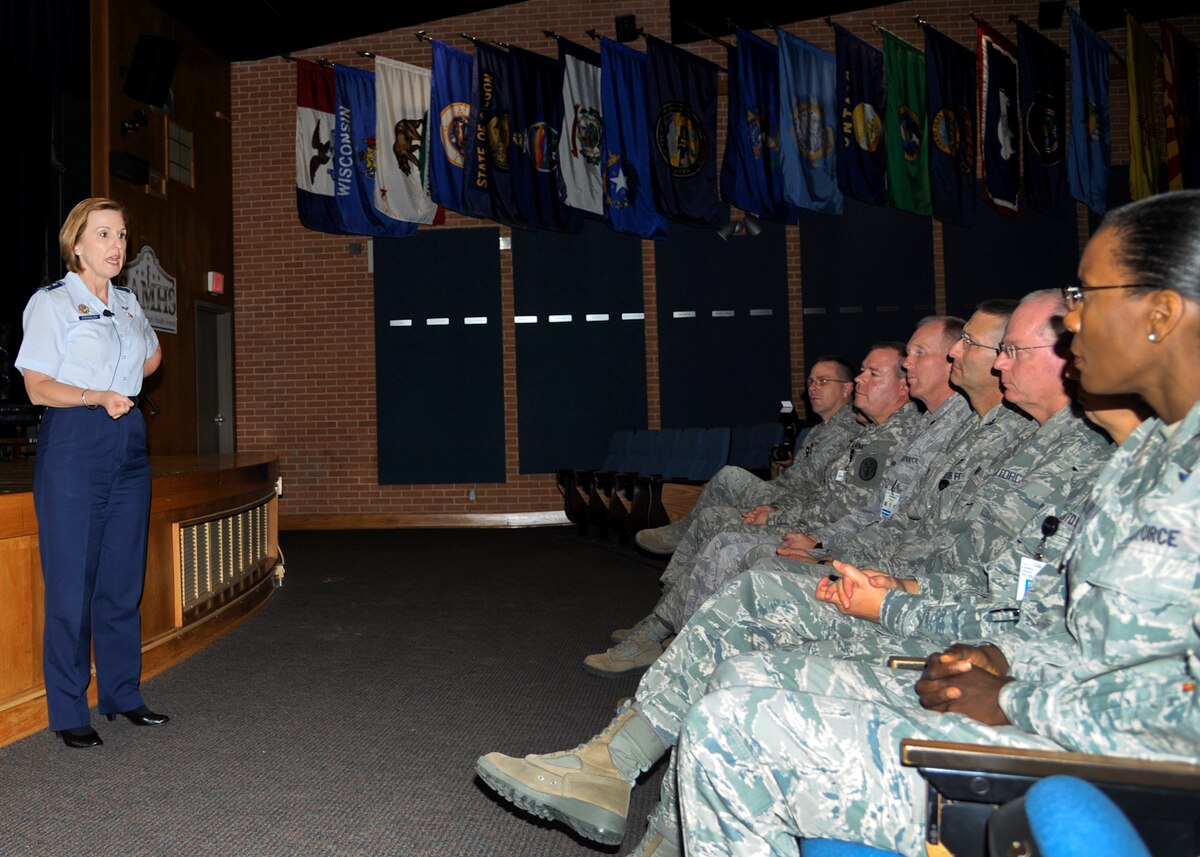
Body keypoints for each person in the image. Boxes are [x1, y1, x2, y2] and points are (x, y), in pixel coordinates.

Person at [473, 291, 1112, 852]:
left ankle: (624, 764)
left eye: (994, 348)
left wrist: (886, 591)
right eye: (981, 346)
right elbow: (937, 543)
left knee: (753, 595)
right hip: (933, 606)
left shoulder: (1071, 450)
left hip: (963, 644)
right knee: (741, 623)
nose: (988, 359)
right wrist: (875, 575)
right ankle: (641, 793)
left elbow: (995, 585)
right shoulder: (1004, 434)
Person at [674, 191, 1200, 856]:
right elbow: (1084, 639)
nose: (1073, 318)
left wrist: (1014, 695)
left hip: (1102, 774)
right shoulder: (1150, 457)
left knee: (731, 727)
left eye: (1089, 295)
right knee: (736, 683)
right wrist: (1003, 656)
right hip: (1048, 712)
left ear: (1160, 313)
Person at [587, 343, 923, 676]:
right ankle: (663, 623)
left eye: (872, 373)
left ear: (902, 387)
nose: (861, 379)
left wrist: (787, 523)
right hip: (813, 524)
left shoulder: (888, 437)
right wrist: (775, 511)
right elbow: (824, 496)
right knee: (717, 523)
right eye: (811, 382)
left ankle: (674, 647)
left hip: (839, 541)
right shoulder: (869, 435)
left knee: (728, 536)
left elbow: (852, 509)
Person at [15, 198, 168, 749]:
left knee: (122, 581)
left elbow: (152, 359)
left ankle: (123, 694)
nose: (116, 246)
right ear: (76, 244)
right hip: (76, 440)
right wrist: (95, 393)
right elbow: (36, 387)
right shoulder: (52, 304)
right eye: (104, 235)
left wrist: (130, 367)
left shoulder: (126, 302)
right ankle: (67, 708)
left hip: (128, 441)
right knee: (72, 584)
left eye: (122, 235)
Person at [632, 356, 859, 557]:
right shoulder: (818, 430)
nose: (813, 388)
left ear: (847, 389)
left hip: (793, 504)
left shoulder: (848, 429)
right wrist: (781, 471)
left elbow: (816, 489)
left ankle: (682, 532)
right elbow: (803, 477)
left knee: (730, 476)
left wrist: (777, 509)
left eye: (823, 381)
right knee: (712, 512)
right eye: (810, 381)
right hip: (783, 491)